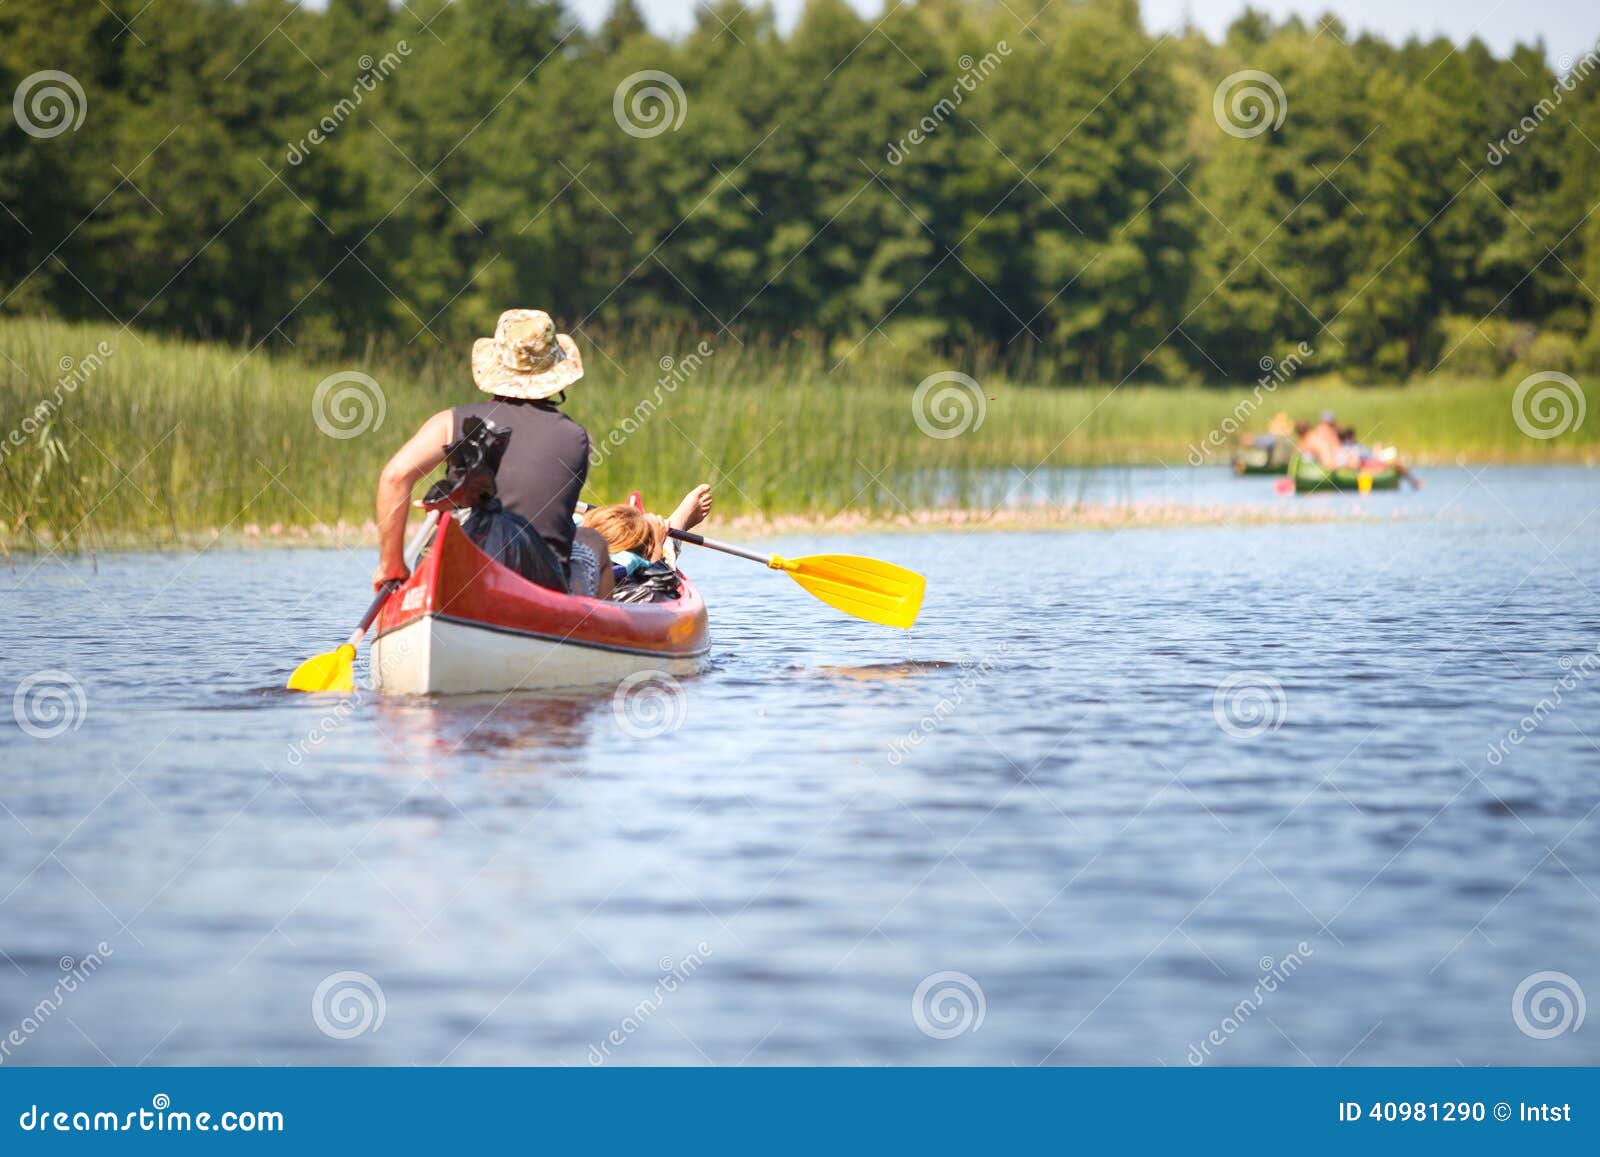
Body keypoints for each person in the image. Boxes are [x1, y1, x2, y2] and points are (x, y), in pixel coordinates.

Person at [371, 308, 614, 596]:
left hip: (468, 576)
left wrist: (392, 567)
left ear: (497, 366)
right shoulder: (577, 438)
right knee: (593, 541)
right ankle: (586, 633)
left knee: (442, 536)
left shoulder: (450, 422)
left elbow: (394, 478)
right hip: (541, 587)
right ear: (555, 373)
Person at [580, 484, 713, 586]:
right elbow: (659, 588)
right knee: (658, 561)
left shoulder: (624, 568)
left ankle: (664, 532)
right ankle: (671, 530)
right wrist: (657, 546)